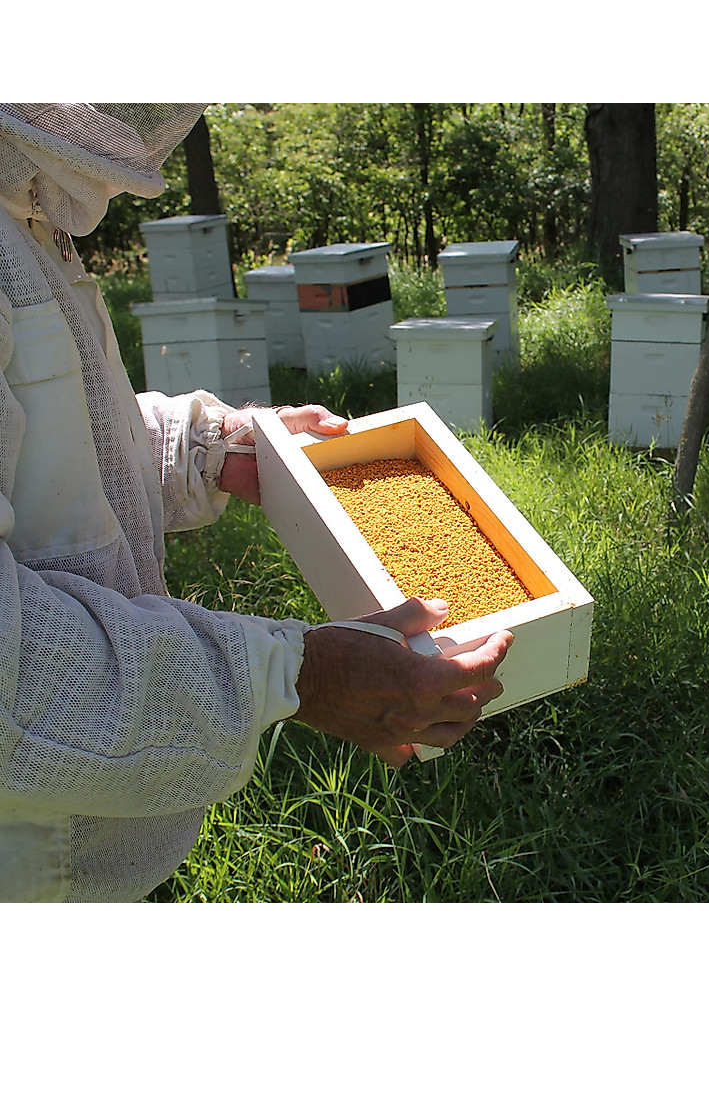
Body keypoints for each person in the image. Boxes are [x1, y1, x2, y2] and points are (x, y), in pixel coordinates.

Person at [0, 103, 513, 903]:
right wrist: (297, 674)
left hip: (105, 840)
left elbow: (64, 438)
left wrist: (210, 449)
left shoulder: (23, 210)